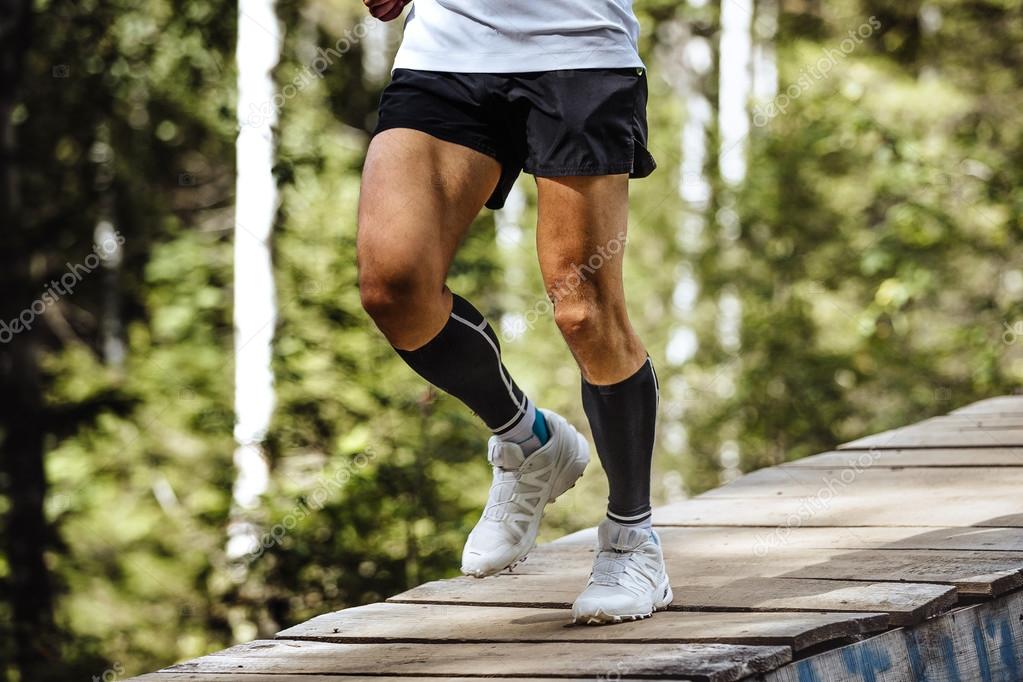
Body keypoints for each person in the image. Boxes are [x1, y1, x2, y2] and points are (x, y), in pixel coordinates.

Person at [356, 0, 671, 624]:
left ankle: (633, 538)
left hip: (578, 49)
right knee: (394, 286)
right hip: (447, 53)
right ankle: (528, 440)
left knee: (584, 310)